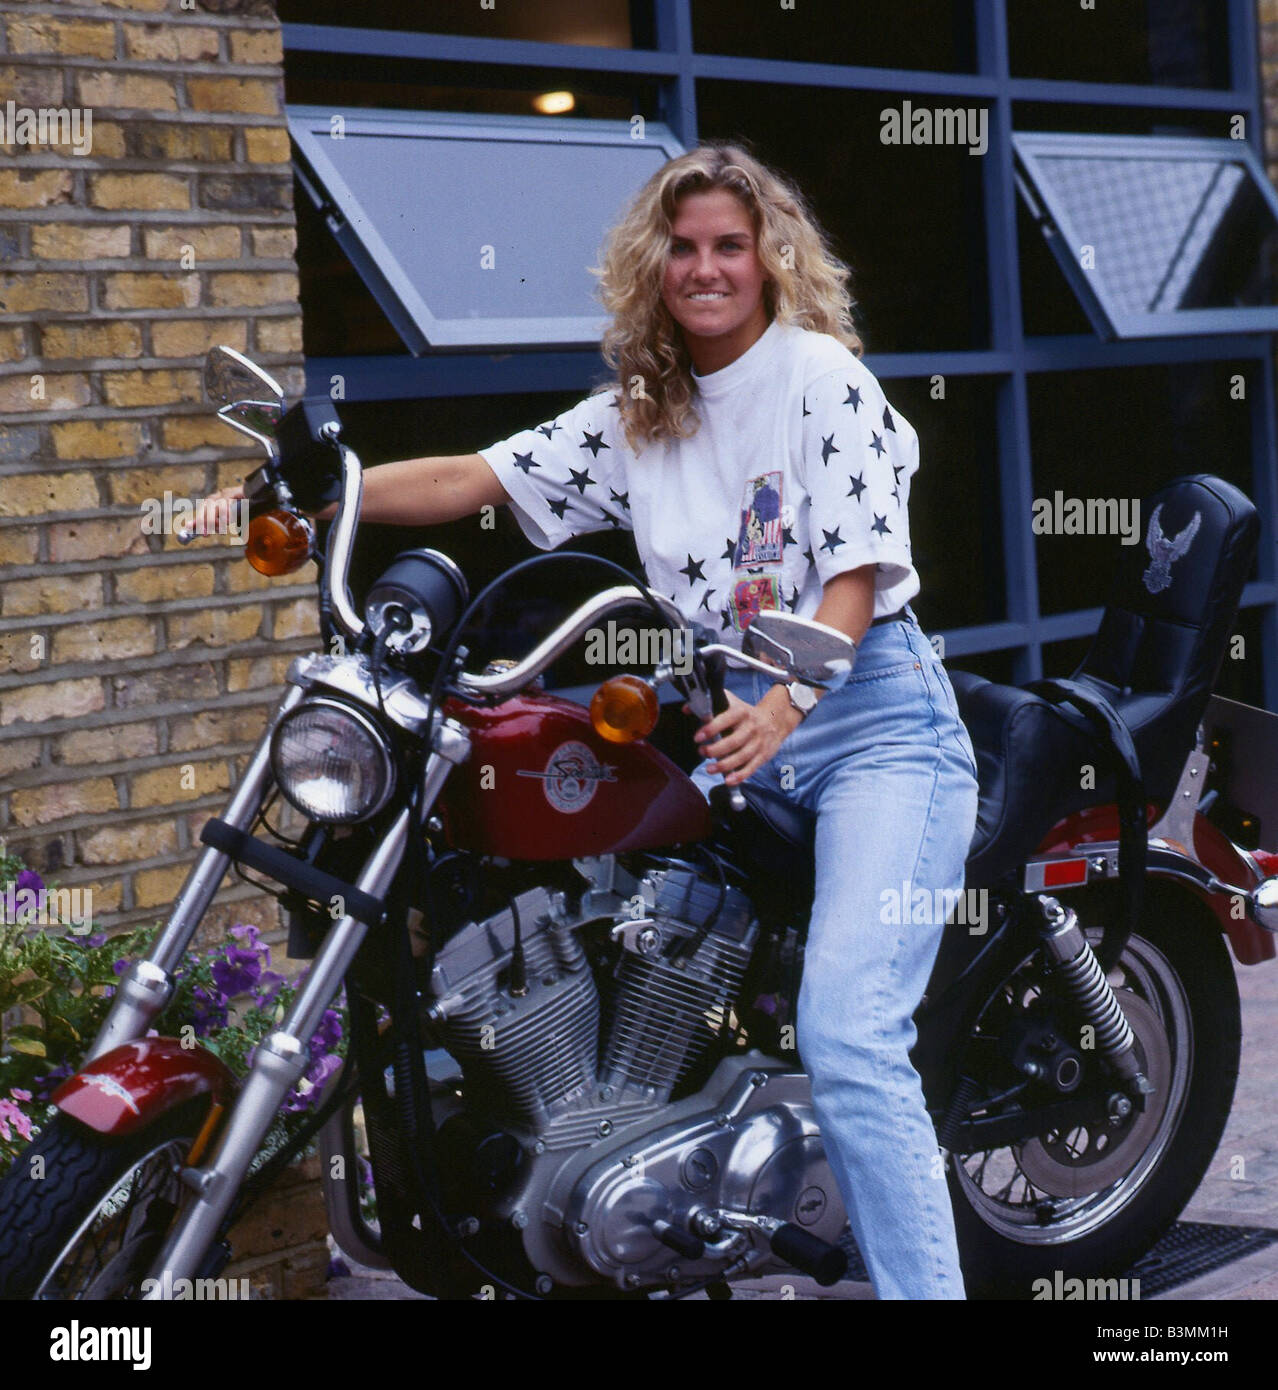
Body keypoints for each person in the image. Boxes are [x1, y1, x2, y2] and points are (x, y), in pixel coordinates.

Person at [195, 142, 980, 1299]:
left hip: (871, 727)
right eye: (684, 247)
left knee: (852, 1036)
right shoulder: (645, 411)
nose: (706, 267)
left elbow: (856, 578)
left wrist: (786, 702)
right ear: (653, 265)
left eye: (729, 244)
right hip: (731, 731)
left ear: (769, 258)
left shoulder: (822, 379)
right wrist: (322, 501)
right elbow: (480, 477)